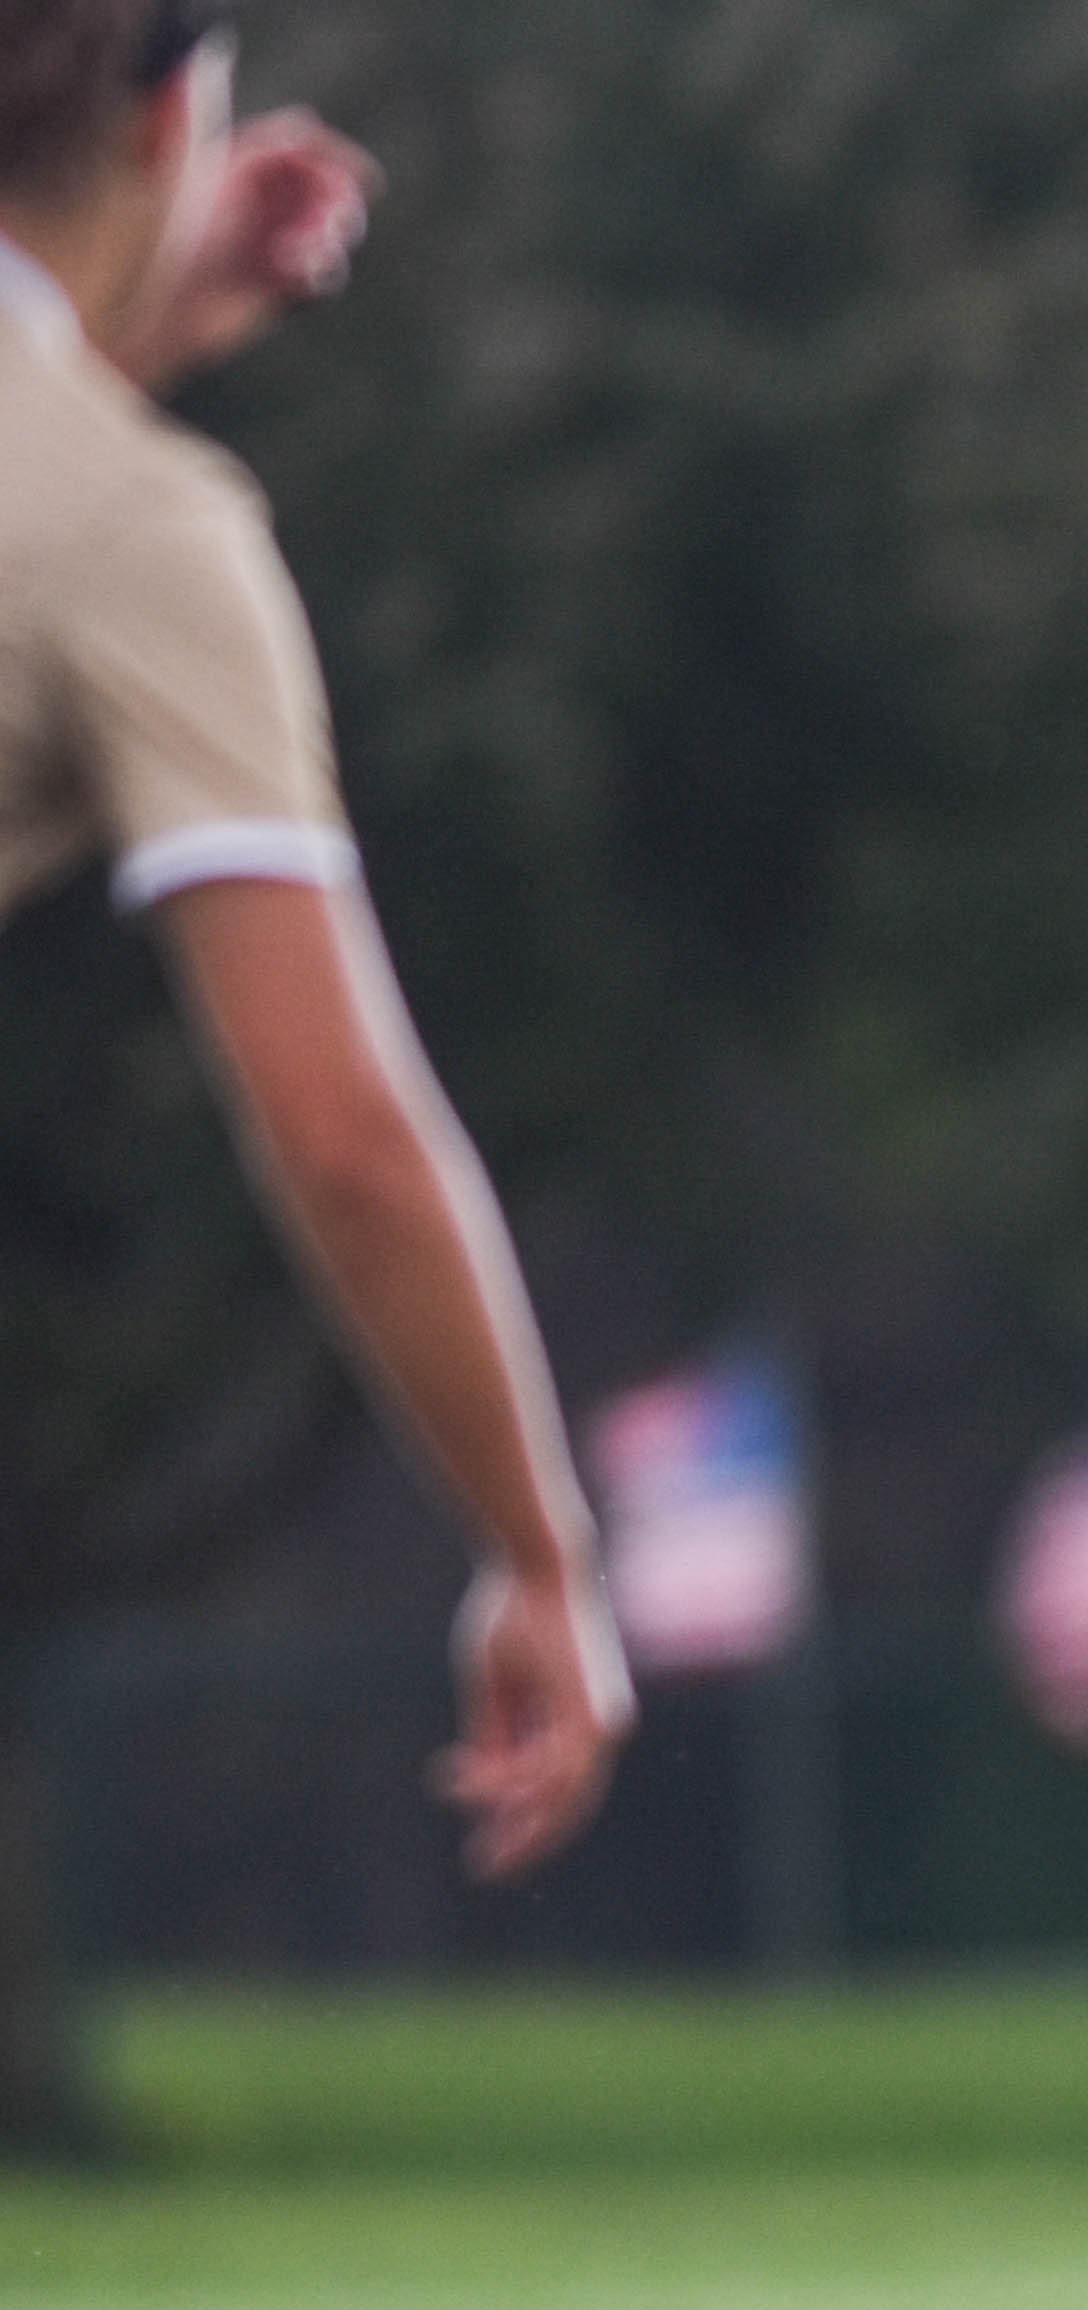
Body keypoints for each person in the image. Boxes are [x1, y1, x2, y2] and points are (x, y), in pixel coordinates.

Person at [2, 0, 622, 1878]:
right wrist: (539, 1553)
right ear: (174, 109)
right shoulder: (138, 538)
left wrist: (151, 310)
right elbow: (341, 1133)